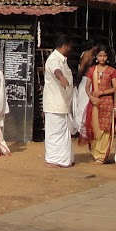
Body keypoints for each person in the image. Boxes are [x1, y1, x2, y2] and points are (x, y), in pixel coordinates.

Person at [42, 39, 76, 168]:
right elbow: (56, 70)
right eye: (69, 47)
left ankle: (63, 159)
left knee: (62, 132)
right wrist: (61, 78)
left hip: (61, 103)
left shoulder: (61, 59)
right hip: (54, 104)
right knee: (55, 133)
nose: (70, 50)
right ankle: (53, 159)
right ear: (65, 46)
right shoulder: (54, 59)